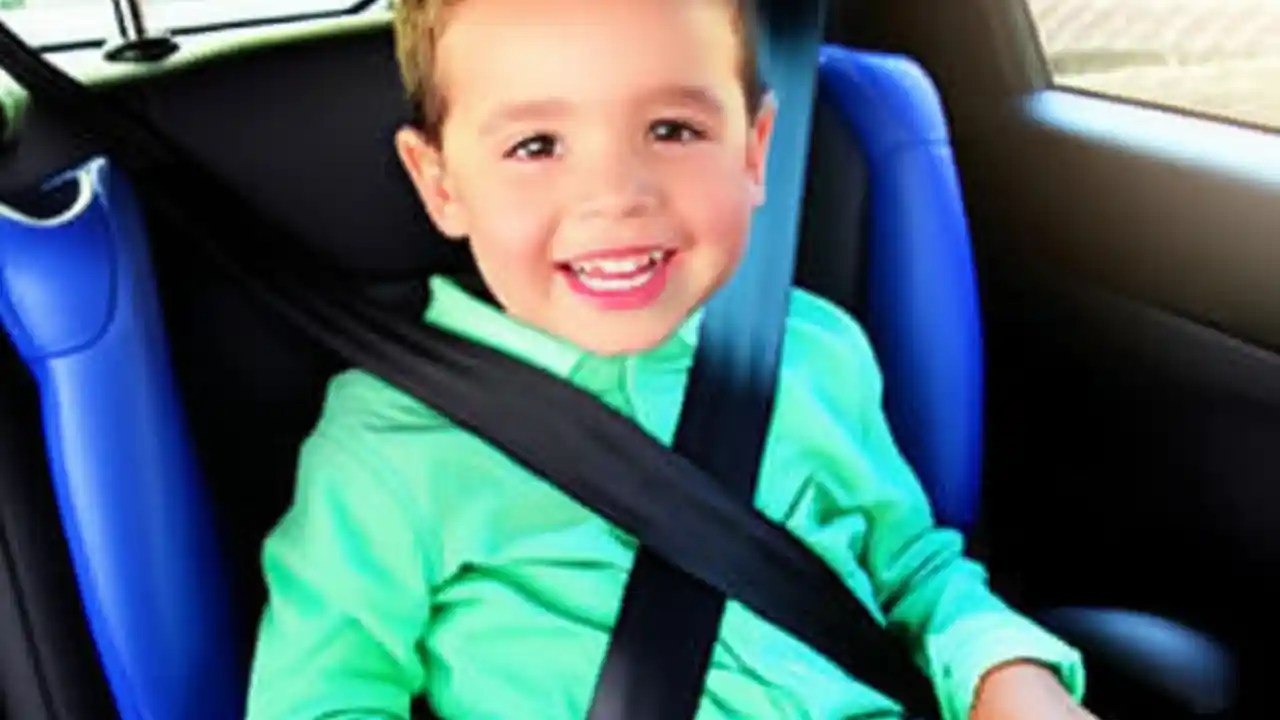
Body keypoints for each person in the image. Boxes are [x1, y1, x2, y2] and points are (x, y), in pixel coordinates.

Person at [245, 1, 1100, 718]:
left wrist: (1007, 675)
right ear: (440, 183)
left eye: (672, 129)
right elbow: (322, 700)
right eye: (536, 146)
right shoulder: (387, 445)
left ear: (755, 151)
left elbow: (913, 575)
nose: (617, 196)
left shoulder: (813, 354)